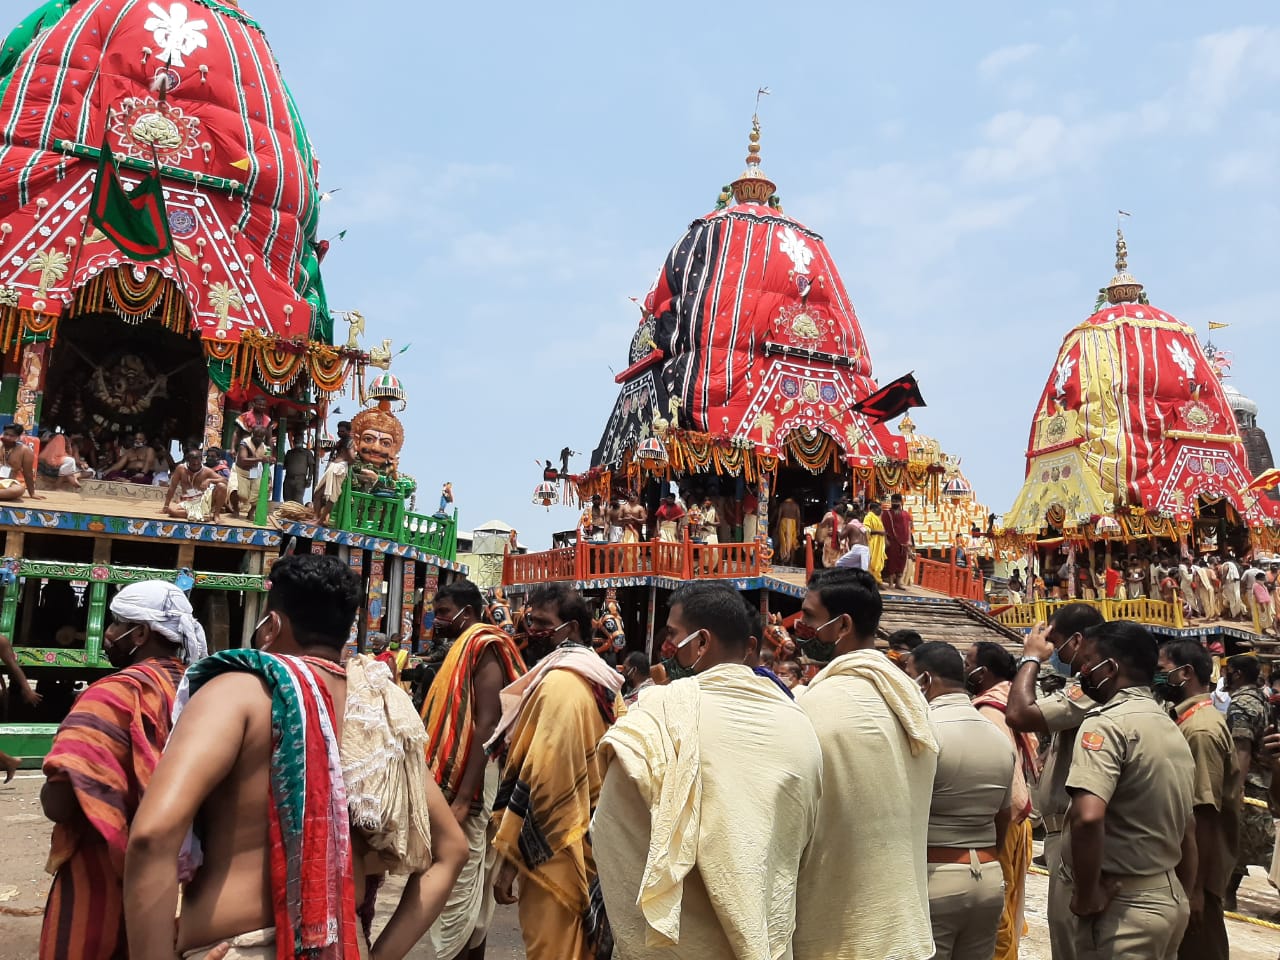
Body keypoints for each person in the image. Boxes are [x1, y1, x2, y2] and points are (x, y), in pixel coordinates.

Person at [124, 554, 468, 959]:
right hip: (338, 943)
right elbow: (452, 851)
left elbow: (151, 837)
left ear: (271, 625)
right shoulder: (375, 709)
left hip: (238, 946)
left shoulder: (238, 691)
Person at [594, 582, 823, 959]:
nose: (666, 647)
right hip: (768, 938)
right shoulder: (798, 723)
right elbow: (800, 844)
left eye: (672, 635)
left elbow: (612, 834)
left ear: (701, 643)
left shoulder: (654, 716)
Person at [39, 581, 207, 960]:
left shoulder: (111, 694)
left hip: (101, 875)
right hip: (180, 879)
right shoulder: (198, 690)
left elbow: (61, 804)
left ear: (141, 633)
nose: (109, 635)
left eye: (116, 625)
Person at [792, 567, 938, 960]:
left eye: (808, 616)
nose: (798, 626)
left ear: (843, 626)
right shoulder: (911, 700)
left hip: (841, 933)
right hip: (904, 926)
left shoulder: (816, 704)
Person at [485, 583, 624, 960]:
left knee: (553, 949)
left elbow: (542, 777)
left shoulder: (561, 683)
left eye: (544, 623)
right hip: (594, 837)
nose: (533, 631)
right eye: (530, 621)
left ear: (573, 628)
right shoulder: (599, 678)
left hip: (558, 846)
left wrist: (510, 865)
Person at [1059, 620, 1195, 959]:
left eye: (1089, 662)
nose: (1083, 669)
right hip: (1168, 895)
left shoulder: (1106, 723)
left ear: (1111, 667)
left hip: (1123, 904)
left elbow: (1088, 818)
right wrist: (1184, 895)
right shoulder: (1168, 723)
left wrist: (1086, 894)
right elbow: (1187, 829)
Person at [419, 578, 526, 960]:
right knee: (464, 883)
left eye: (444, 612)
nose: (438, 619)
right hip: (465, 775)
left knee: (462, 884)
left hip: (474, 779)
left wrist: (465, 797)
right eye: (436, 612)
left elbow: (486, 722)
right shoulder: (463, 646)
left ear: (468, 610)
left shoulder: (484, 646)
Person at [1004, 602, 1106, 960]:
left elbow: (1019, 714)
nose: (1053, 650)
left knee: (1071, 943)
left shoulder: (1090, 689)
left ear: (1076, 641)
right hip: (1060, 831)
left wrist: (1030, 658)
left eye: (1056, 642)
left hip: (1073, 833)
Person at [905, 642, 1014, 960]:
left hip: (935, 875)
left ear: (925, 680)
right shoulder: (997, 736)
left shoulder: (926, 733)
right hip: (988, 877)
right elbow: (1003, 816)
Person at [1156, 640, 1240, 960]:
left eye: (1162, 671)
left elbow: (1203, 812)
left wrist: (1195, 891)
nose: (1157, 678)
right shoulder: (1187, 719)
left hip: (1199, 873)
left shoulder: (1201, 729)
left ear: (1185, 672)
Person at [967, 642, 1040, 960]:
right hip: (1015, 819)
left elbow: (1004, 774)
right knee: (1008, 901)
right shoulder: (1009, 700)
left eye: (968, 661)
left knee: (998, 909)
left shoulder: (989, 709)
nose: (965, 666)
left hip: (1004, 820)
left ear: (983, 672)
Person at [1223, 653, 1275, 909]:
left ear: (1237, 674)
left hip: (1251, 784)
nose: (1224, 674)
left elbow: (1241, 747)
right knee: (1235, 843)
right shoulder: (1261, 699)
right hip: (1261, 780)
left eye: (1228, 670)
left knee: (1268, 847)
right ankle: (1226, 895)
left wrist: (1236, 785)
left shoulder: (1242, 703)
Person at [161, 448, 229, 521]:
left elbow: (225, 480)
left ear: (201, 461)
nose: (196, 465)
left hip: (203, 501)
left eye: (198, 463)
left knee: (222, 486)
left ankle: (216, 515)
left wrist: (209, 480)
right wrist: (166, 505)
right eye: (193, 464)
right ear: (188, 461)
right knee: (171, 510)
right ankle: (202, 515)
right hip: (187, 501)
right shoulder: (180, 469)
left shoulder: (206, 471)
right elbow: (172, 487)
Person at [313, 420, 355, 524]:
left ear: (348, 432)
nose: (340, 433)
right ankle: (316, 517)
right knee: (318, 493)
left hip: (339, 468)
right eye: (339, 431)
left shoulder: (349, 442)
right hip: (333, 467)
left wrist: (345, 463)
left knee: (331, 496)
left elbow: (352, 458)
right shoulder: (340, 442)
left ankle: (321, 520)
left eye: (342, 431)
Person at [229, 426, 271, 518]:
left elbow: (267, 460)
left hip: (254, 472)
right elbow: (242, 460)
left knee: (262, 491)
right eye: (256, 436)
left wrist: (270, 460)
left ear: (263, 437)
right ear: (253, 434)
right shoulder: (244, 444)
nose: (258, 439)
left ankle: (251, 512)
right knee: (235, 490)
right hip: (240, 471)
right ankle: (236, 509)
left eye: (261, 437)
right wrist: (260, 459)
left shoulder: (264, 447)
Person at [0, 423, 41, 500]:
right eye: (6, 434)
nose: (7, 437)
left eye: (11, 436)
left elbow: (28, 473)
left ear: (18, 437)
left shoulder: (25, 451)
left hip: (8, 483)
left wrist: (32, 493)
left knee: (19, 490)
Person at [882, 494, 915, 590]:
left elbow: (909, 528)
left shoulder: (906, 514)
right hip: (892, 541)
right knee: (891, 561)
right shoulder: (886, 514)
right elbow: (883, 527)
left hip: (904, 542)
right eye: (894, 501)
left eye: (897, 501)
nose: (895, 503)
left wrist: (909, 540)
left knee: (902, 562)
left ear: (901, 502)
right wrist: (885, 539)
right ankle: (891, 582)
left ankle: (899, 583)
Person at [282, 428, 315, 504]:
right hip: (288, 479)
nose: (297, 439)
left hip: (300, 480)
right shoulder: (289, 453)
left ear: (302, 440)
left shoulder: (307, 453)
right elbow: (284, 466)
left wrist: (309, 478)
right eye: (296, 438)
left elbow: (311, 466)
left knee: (298, 501)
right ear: (293, 440)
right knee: (287, 501)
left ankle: (298, 515)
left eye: (299, 438)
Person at [863, 500, 887, 582]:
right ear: (873, 509)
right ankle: (872, 581)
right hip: (872, 543)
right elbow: (866, 529)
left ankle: (877, 580)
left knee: (878, 563)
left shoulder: (877, 518)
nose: (881, 511)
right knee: (872, 563)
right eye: (879, 509)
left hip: (879, 544)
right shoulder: (868, 517)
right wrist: (878, 532)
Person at [775, 496, 802, 565]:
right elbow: (798, 517)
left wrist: (777, 527)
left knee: (783, 542)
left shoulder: (782, 504)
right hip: (793, 524)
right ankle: (791, 562)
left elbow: (779, 517)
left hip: (783, 523)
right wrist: (798, 528)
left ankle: (782, 561)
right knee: (792, 544)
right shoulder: (796, 505)